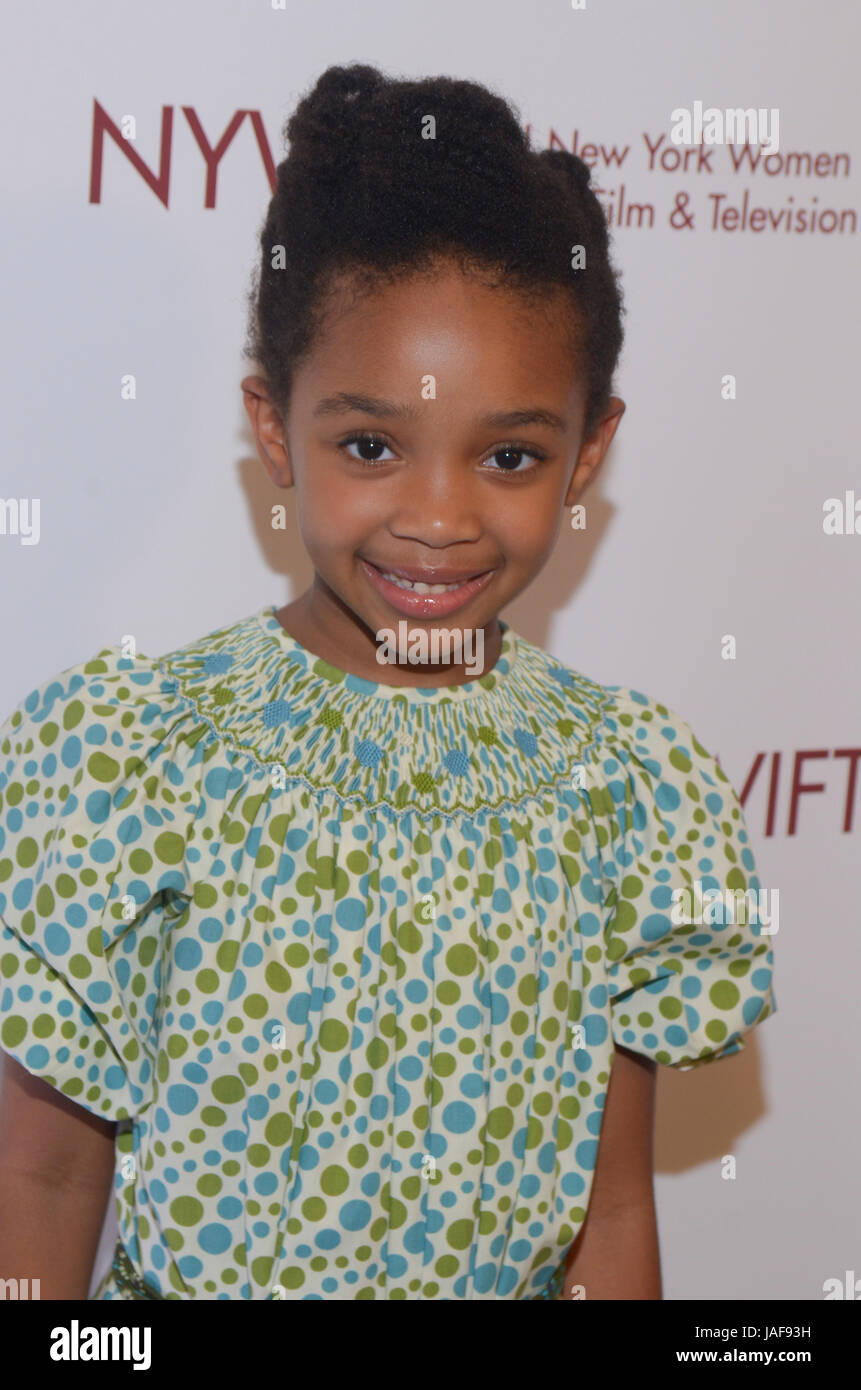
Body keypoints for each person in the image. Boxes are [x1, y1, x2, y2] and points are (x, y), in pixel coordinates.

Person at [0, 62, 776, 1301]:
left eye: (510, 454)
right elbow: (40, 1185)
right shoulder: (127, 763)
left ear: (591, 455)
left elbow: (612, 1211)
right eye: (370, 446)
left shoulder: (630, 789)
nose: (438, 518)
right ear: (273, 426)